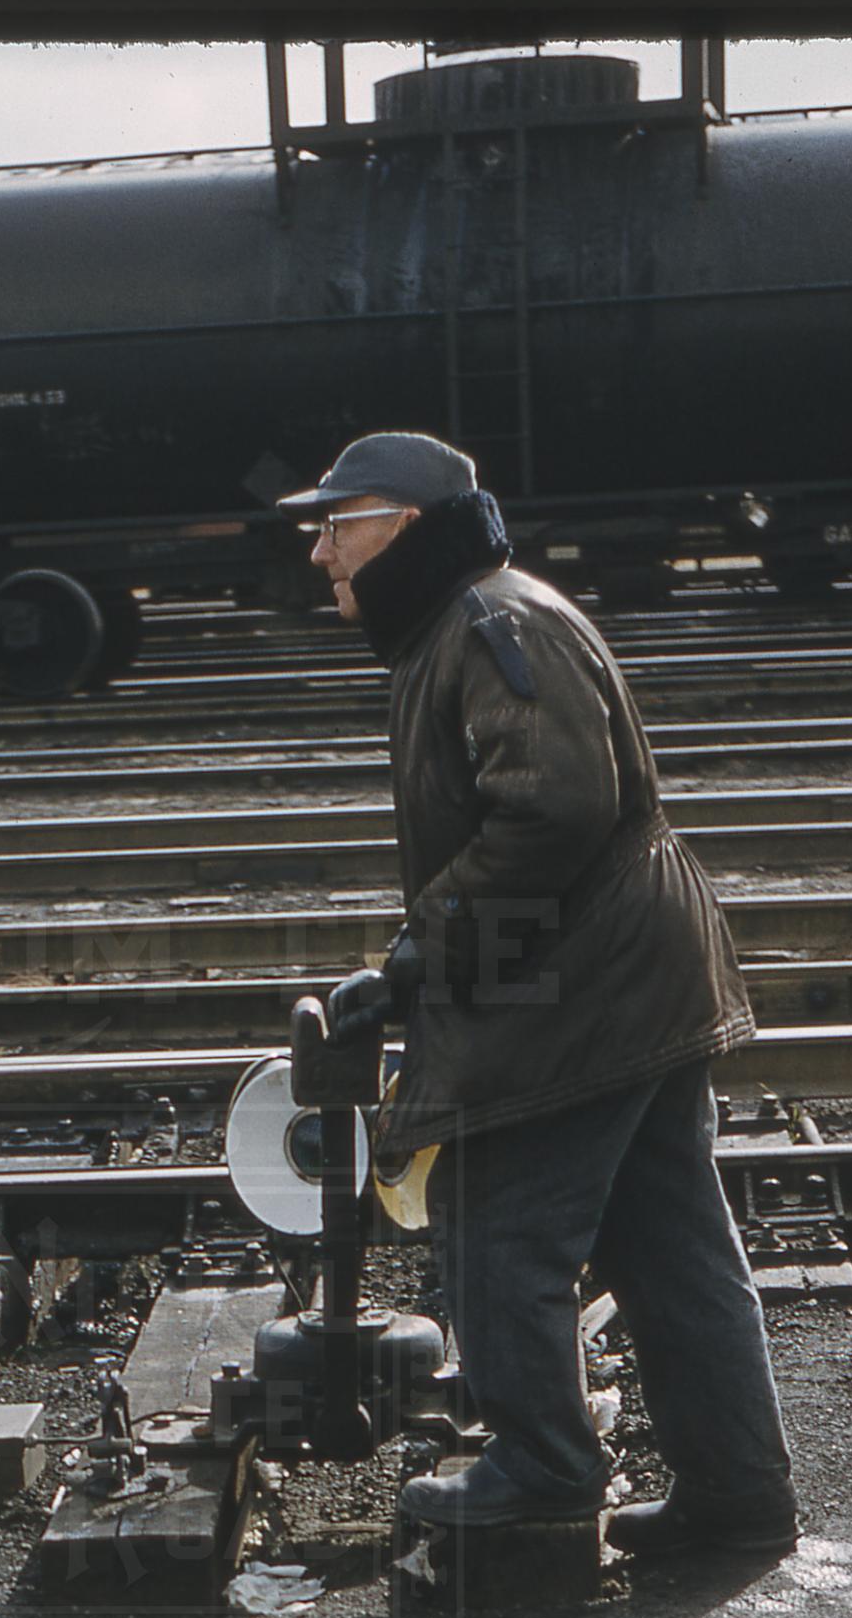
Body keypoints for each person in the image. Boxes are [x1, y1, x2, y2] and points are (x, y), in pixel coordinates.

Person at [275, 431, 798, 1556]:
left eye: (338, 525)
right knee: (668, 1246)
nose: (320, 553)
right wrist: (411, 965)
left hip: (584, 983)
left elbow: (549, 813)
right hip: (626, 970)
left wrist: (418, 958)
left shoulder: (487, 624)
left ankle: (546, 1471)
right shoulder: (473, 620)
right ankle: (735, 1493)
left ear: (404, 528)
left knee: (495, 1218)